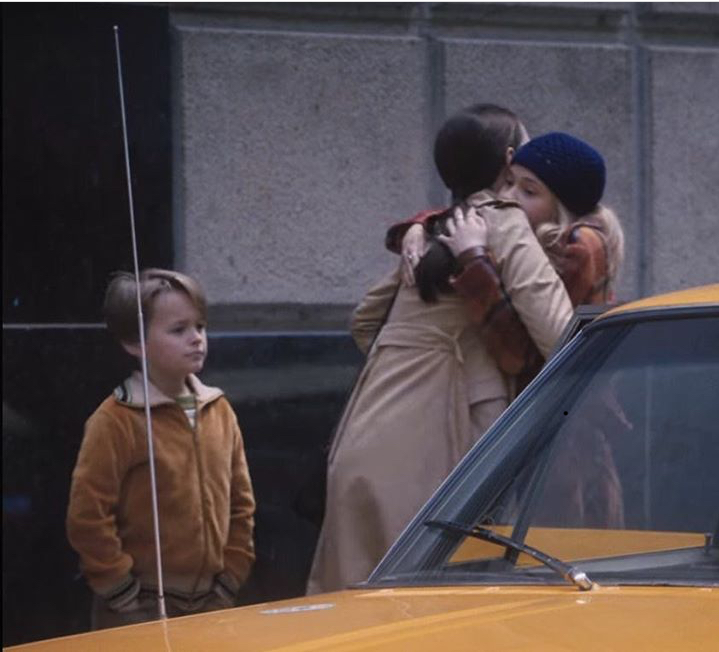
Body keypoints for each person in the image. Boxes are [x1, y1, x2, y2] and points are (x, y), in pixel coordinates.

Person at [306, 104, 574, 594]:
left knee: (356, 605)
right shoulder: (501, 221)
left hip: (366, 429)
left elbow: (364, 321)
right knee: (444, 598)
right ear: (510, 158)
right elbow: (560, 334)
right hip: (452, 431)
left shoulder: (432, 229)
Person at [66, 268, 256, 629]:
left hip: (212, 602)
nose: (196, 338)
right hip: (137, 605)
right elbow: (88, 515)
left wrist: (231, 578)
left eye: (200, 326)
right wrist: (121, 591)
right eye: (178, 330)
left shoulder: (219, 410)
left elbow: (241, 504)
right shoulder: (117, 419)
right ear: (135, 343)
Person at [391, 131, 625, 394]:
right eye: (508, 181)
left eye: (528, 190)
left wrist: (473, 260)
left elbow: (522, 358)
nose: (509, 196)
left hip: (558, 419)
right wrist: (420, 225)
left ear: (563, 207)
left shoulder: (579, 248)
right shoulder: (528, 239)